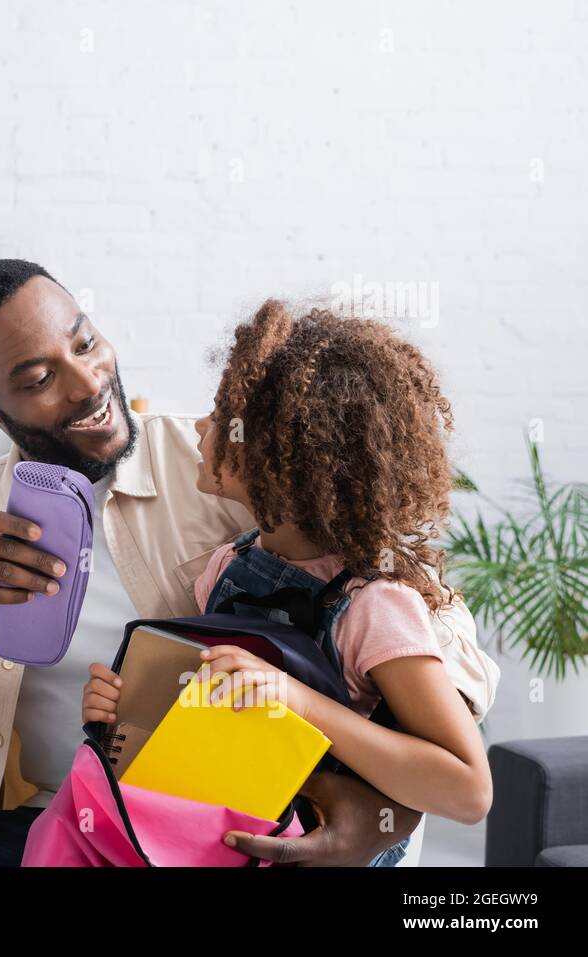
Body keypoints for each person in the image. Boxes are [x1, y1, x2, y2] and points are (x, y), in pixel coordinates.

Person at [0, 259, 499, 866]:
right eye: (42, 376)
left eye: (85, 342)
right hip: (38, 825)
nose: (88, 383)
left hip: (203, 820)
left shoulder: (224, 471)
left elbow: (421, 629)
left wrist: (381, 811)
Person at [83, 300, 492, 866]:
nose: (201, 427)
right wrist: (129, 711)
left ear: (283, 463)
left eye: (224, 419)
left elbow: (469, 792)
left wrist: (297, 700)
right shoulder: (227, 565)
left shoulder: (375, 606)